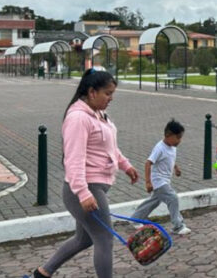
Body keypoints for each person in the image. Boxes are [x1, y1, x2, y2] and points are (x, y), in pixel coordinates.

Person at [28, 69, 139, 278]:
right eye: (107, 93)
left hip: (92, 188)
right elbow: (73, 159)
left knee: (84, 238)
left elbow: (110, 147)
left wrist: (126, 166)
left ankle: (43, 273)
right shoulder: (78, 118)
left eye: (112, 93)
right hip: (85, 189)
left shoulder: (98, 114)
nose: (111, 98)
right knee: (105, 238)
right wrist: (83, 193)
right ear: (91, 92)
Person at [130, 119, 191, 235]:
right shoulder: (159, 148)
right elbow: (148, 163)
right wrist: (148, 182)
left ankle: (136, 218)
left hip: (165, 180)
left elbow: (170, 159)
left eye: (181, 137)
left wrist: (176, 168)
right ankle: (178, 226)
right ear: (168, 135)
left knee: (154, 201)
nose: (180, 141)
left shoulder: (172, 147)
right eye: (178, 137)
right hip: (159, 181)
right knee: (172, 198)